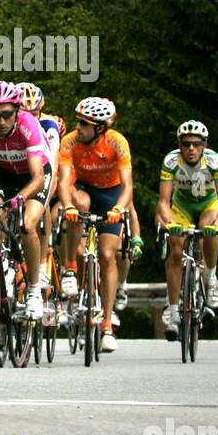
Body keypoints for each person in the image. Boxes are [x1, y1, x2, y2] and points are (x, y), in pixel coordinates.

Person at [0, 81, 50, 321]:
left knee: (26, 224)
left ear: (17, 111)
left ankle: (34, 291)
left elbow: (37, 178)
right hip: (4, 173)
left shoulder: (28, 126)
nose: (1, 121)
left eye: (6, 115)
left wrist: (20, 198)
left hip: (34, 176)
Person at [56, 96, 132, 353]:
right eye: (78, 122)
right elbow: (64, 181)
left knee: (108, 255)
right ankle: (69, 268)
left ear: (99, 127)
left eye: (84, 124)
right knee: (79, 205)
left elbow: (127, 186)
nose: (78, 128)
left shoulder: (117, 143)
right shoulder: (70, 142)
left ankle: (107, 324)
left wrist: (119, 208)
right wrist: (67, 205)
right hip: (83, 189)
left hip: (110, 193)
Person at [157, 120, 218, 336]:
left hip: (208, 204)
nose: (191, 149)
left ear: (204, 146)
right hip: (182, 206)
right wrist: (170, 223)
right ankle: (173, 312)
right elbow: (163, 201)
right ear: (179, 145)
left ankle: (210, 279)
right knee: (176, 251)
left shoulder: (215, 161)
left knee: (208, 229)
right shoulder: (171, 161)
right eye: (186, 144)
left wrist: (217, 225)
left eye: (196, 144)